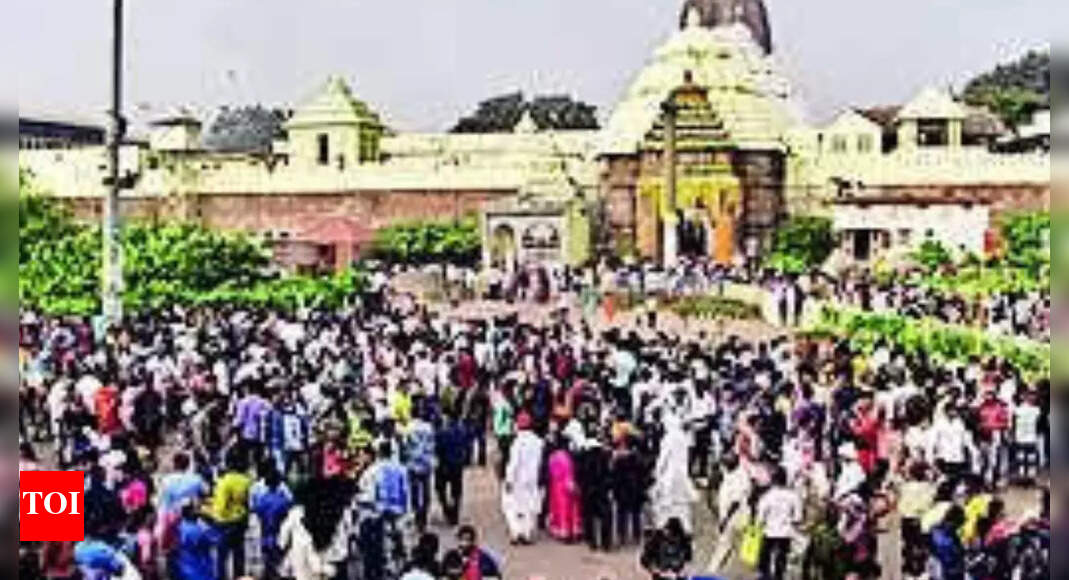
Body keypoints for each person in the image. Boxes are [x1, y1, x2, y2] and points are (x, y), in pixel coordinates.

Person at [503, 413, 545, 545]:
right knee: (530, 508)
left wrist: (509, 480)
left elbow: (513, 463)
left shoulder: (517, 442)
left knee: (511, 507)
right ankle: (527, 534)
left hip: (518, 480)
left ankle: (516, 533)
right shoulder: (538, 441)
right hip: (532, 479)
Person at [208, 452, 252, 580]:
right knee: (239, 554)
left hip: (225, 523)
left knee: (222, 557)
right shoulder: (246, 480)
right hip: (241, 521)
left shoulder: (224, 482)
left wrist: (211, 515)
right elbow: (248, 502)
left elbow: (220, 507)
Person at [707, 453, 751, 573]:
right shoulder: (732, 472)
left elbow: (735, 502)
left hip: (735, 517)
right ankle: (725, 570)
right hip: (731, 516)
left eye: (726, 463)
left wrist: (725, 520)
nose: (724, 466)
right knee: (730, 546)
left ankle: (712, 571)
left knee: (724, 544)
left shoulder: (740, 477)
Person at [756, 466, 801, 580]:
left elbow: (760, 519)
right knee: (781, 564)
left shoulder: (767, 497)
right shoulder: (793, 496)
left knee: (764, 564)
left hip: (769, 533)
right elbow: (797, 518)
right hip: (785, 534)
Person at [250, 466, 293, 579]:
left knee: (267, 565)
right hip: (280, 537)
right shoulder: (284, 501)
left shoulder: (262, 500)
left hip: (265, 536)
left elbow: (256, 511)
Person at [435, 409, 471, 527]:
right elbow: (467, 447)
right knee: (456, 491)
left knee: (441, 490)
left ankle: (446, 509)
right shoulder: (462, 431)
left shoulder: (441, 432)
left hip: (443, 465)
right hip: (457, 465)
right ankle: (455, 513)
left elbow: (437, 449)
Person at [545, 438, 582, 542]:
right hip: (570, 484)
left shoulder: (553, 457)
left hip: (557, 486)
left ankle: (564, 533)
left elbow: (551, 472)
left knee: (561, 510)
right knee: (573, 509)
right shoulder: (570, 457)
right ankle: (574, 531)